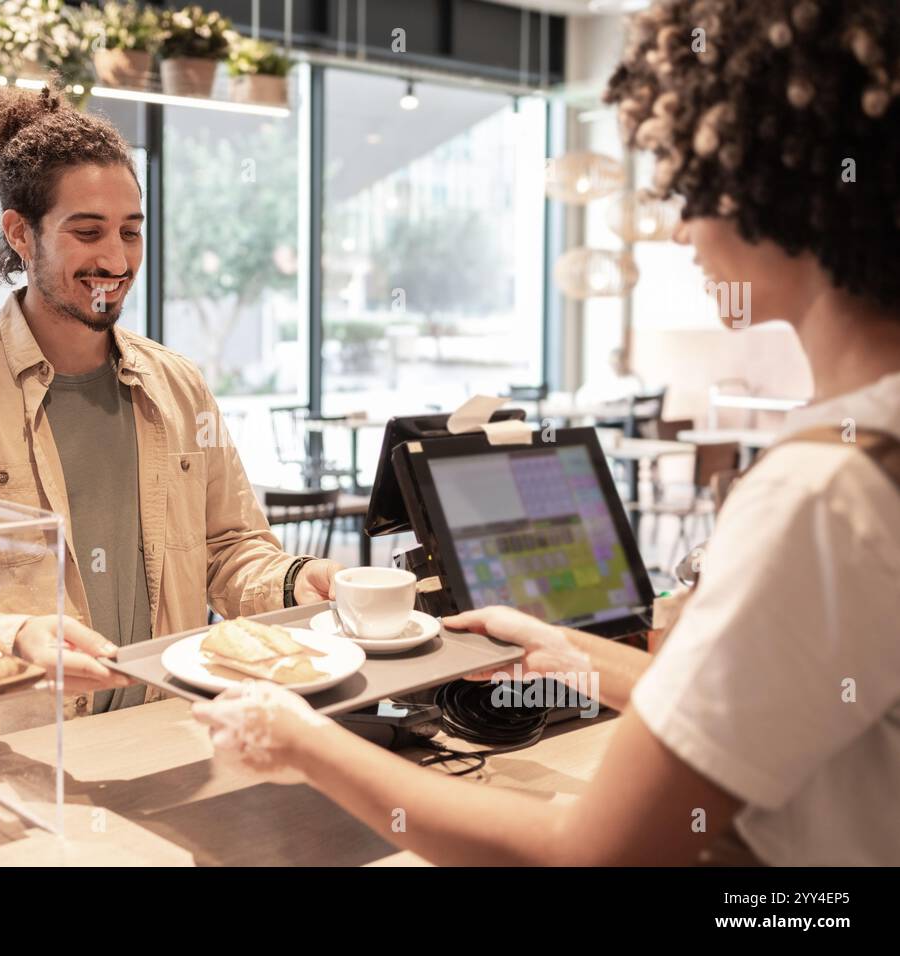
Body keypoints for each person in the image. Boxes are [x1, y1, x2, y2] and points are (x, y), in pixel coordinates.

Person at [193, 0, 900, 865]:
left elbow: (587, 854)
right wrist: (569, 656)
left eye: (688, 187)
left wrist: (298, 740)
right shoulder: (871, 453)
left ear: (774, 185)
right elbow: (750, 713)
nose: (680, 229)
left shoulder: (822, 492)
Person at [0, 87, 341, 715]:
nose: (115, 260)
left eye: (130, 233)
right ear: (21, 234)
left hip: (174, 726)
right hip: (19, 754)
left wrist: (299, 580)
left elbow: (229, 550)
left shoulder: (180, 386)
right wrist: (16, 635)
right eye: (87, 233)